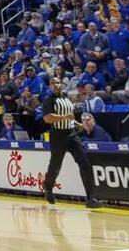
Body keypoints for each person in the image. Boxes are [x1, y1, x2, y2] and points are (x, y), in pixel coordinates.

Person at [41, 78, 100, 208]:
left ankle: (91, 198)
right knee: (55, 165)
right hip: (57, 135)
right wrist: (64, 117)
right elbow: (47, 119)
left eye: (58, 82)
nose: (56, 85)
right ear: (50, 86)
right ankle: (48, 188)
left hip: (71, 134)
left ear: (61, 84)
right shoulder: (49, 100)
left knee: (84, 163)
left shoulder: (66, 97)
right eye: (53, 83)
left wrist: (78, 124)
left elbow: (70, 117)